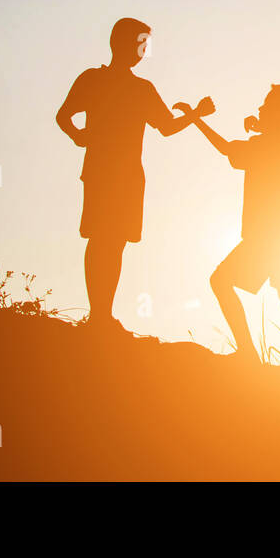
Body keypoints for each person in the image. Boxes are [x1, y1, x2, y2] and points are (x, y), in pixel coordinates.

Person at [56, 17, 212, 332]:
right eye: (139, 43)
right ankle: (99, 314)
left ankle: (102, 314)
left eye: (144, 45)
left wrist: (195, 115)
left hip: (127, 174)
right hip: (103, 171)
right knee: (102, 239)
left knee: (113, 242)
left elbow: (166, 127)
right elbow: (64, 116)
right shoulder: (94, 79)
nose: (141, 50)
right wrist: (78, 135)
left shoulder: (141, 88)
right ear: (118, 43)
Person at [177, 85, 280, 368]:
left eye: (267, 105)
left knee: (222, 281)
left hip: (267, 233)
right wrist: (263, 129)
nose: (260, 108)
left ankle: (249, 354)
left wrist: (196, 119)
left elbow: (227, 149)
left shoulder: (269, 143)